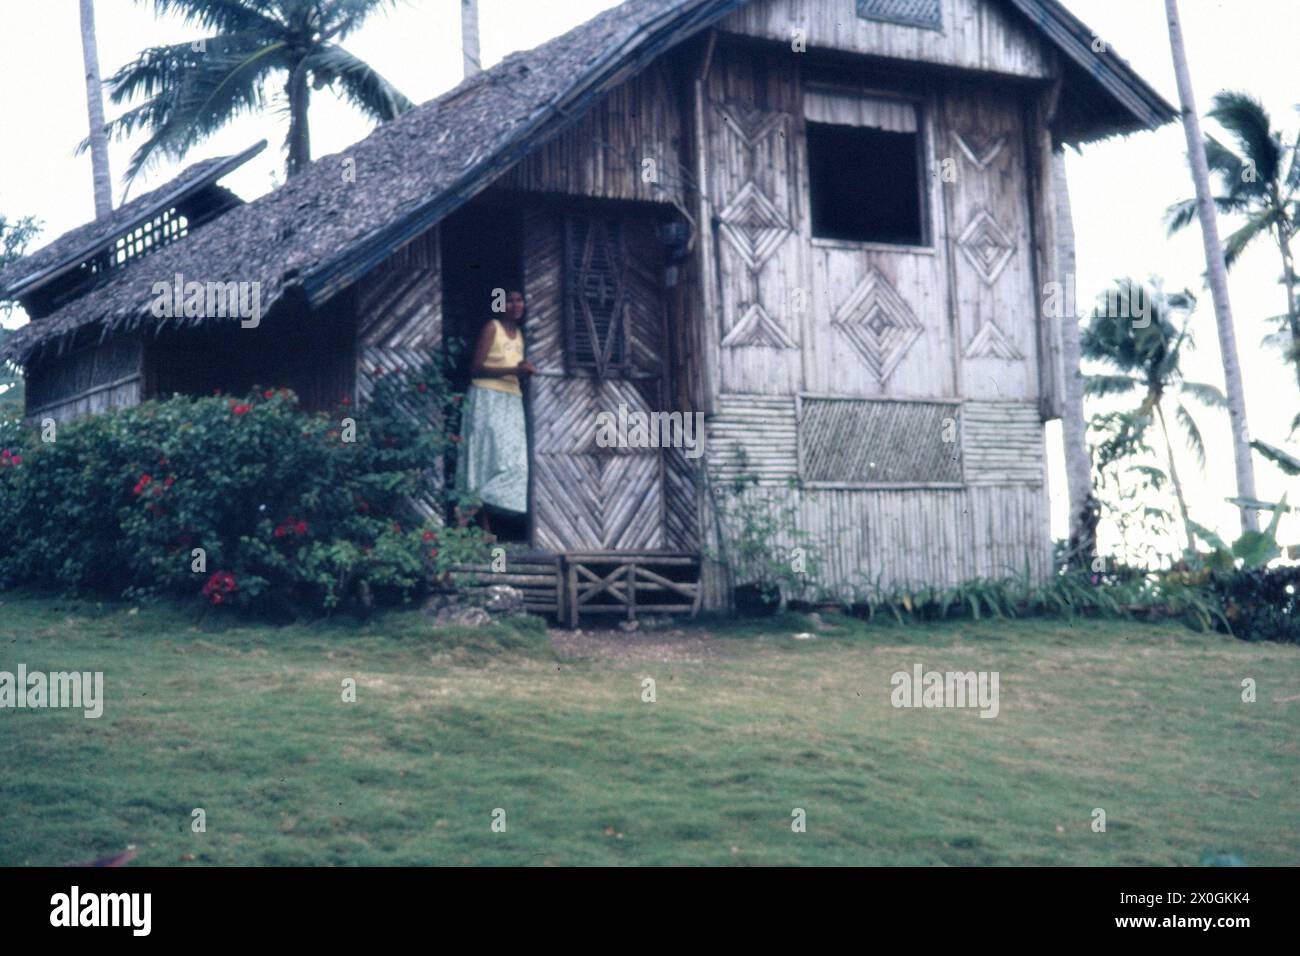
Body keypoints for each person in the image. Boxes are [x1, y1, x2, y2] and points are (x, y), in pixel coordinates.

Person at [455, 288, 535, 536]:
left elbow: (513, 370)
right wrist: (514, 370)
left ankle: (476, 516)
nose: (515, 305)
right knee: (485, 459)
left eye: (519, 300)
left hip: (511, 400)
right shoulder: (493, 328)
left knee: (514, 464)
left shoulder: (519, 334)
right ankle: (467, 521)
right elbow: (475, 368)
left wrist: (522, 372)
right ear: (500, 304)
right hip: (487, 397)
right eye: (509, 301)